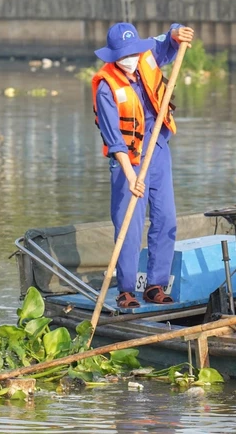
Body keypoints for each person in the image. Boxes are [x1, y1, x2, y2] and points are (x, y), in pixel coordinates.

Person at [91, 21, 195, 308]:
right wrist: (130, 176)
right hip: (128, 158)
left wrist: (177, 32)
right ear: (114, 56)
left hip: (157, 147)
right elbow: (114, 141)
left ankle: (155, 285)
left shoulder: (145, 57)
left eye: (132, 53)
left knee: (165, 218)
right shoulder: (106, 88)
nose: (130, 59)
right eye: (123, 55)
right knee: (130, 223)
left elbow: (169, 39)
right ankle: (125, 290)